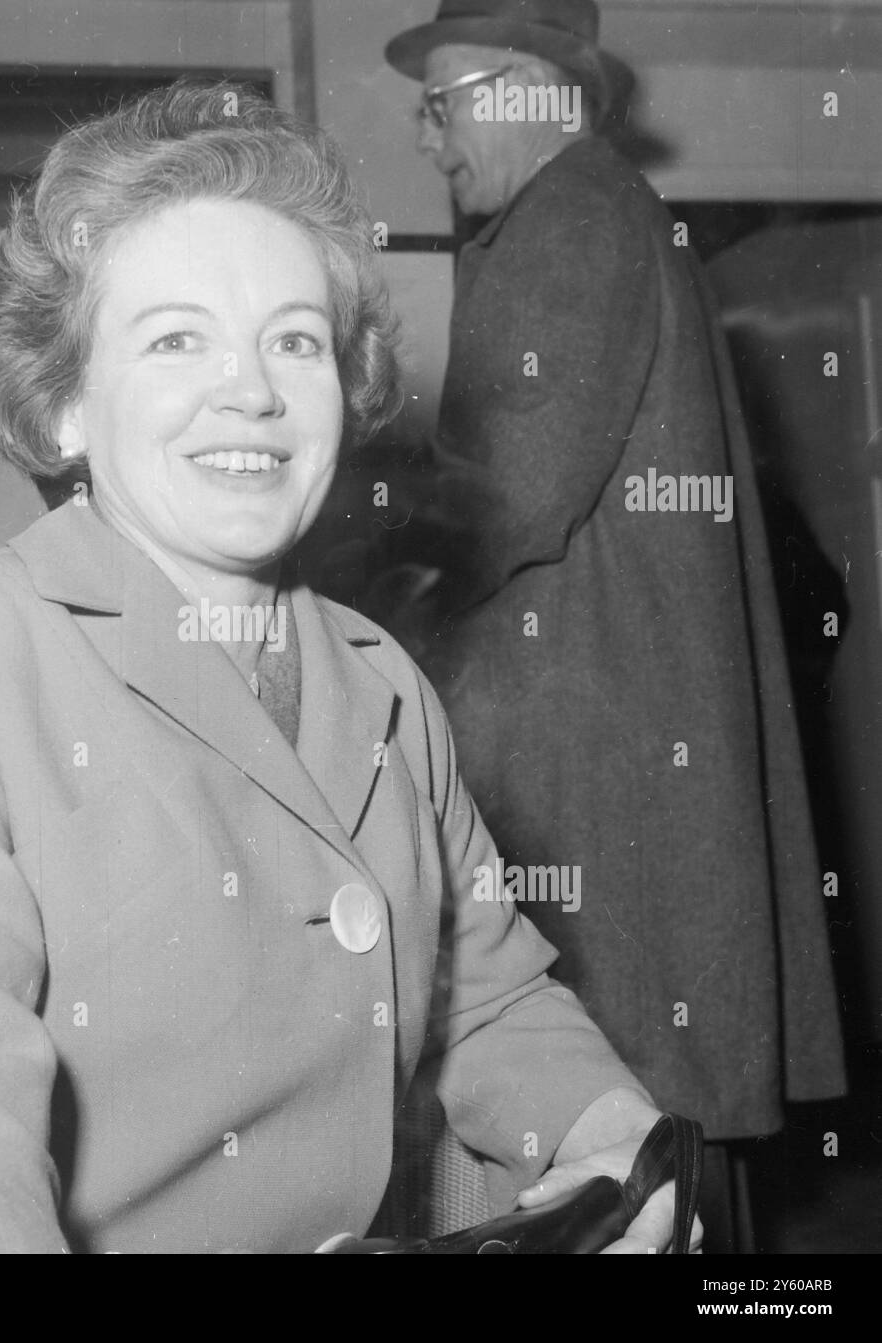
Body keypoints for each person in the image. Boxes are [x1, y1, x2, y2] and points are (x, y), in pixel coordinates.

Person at [0, 80, 698, 1254]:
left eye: (294, 341)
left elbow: (491, 996)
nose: (252, 390)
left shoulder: (384, 685)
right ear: (63, 402)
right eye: (176, 338)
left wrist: (619, 1141)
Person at [383, 0, 846, 1240]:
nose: (429, 141)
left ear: (531, 89)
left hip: (591, 778)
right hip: (637, 771)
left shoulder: (565, 220)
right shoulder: (605, 211)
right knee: (661, 1138)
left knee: (623, 1150)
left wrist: (335, 558)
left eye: (442, 104)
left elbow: (499, 499)